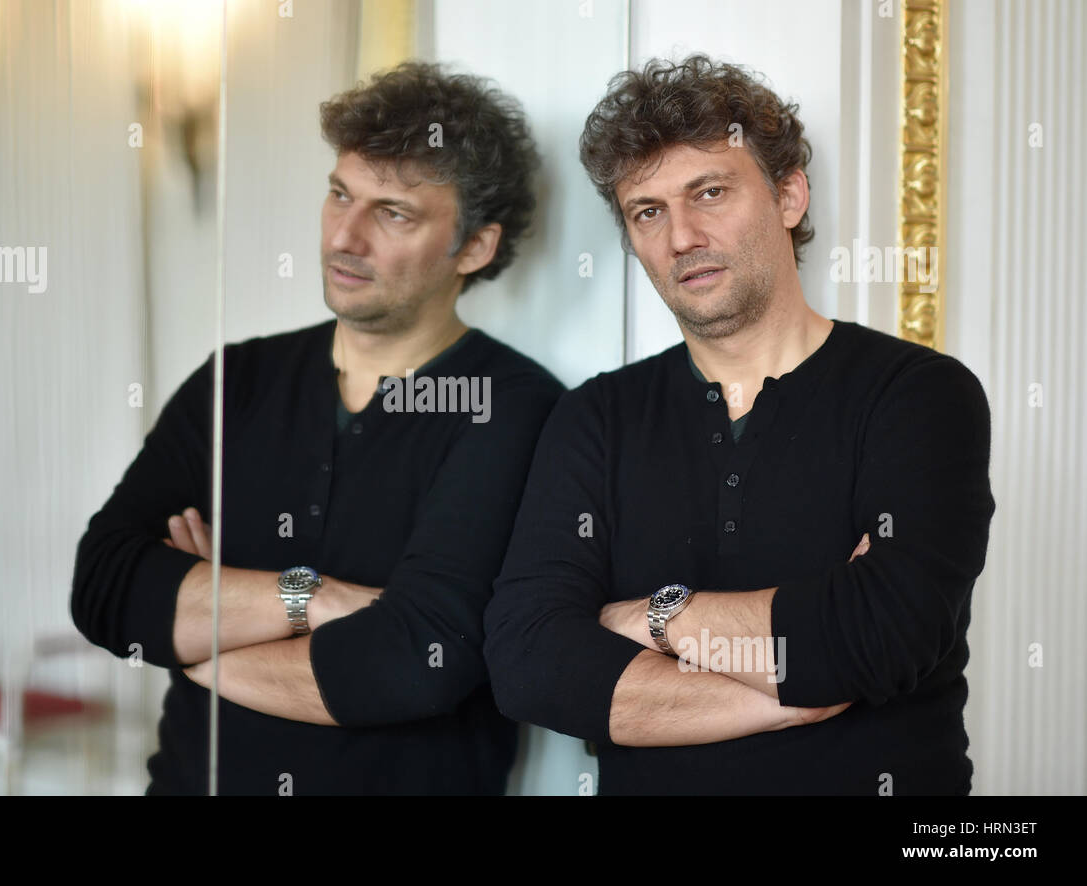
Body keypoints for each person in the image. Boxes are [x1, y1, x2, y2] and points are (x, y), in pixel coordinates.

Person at [483, 54, 995, 795]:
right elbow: (529, 664)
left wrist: (653, 619)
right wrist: (797, 690)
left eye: (710, 192)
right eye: (647, 211)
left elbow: (883, 635)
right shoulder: (596, 416)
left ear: (789, 195)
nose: (682, 236)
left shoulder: (918, 396)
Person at [71, 61, 562, 795]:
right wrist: (314, 599)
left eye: (393, 213)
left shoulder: (511, 406)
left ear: (475, 247)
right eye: (340, 195)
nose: (346, 237)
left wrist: (202, 635)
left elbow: (417, 659)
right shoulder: (240, 379)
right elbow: (104, 588)